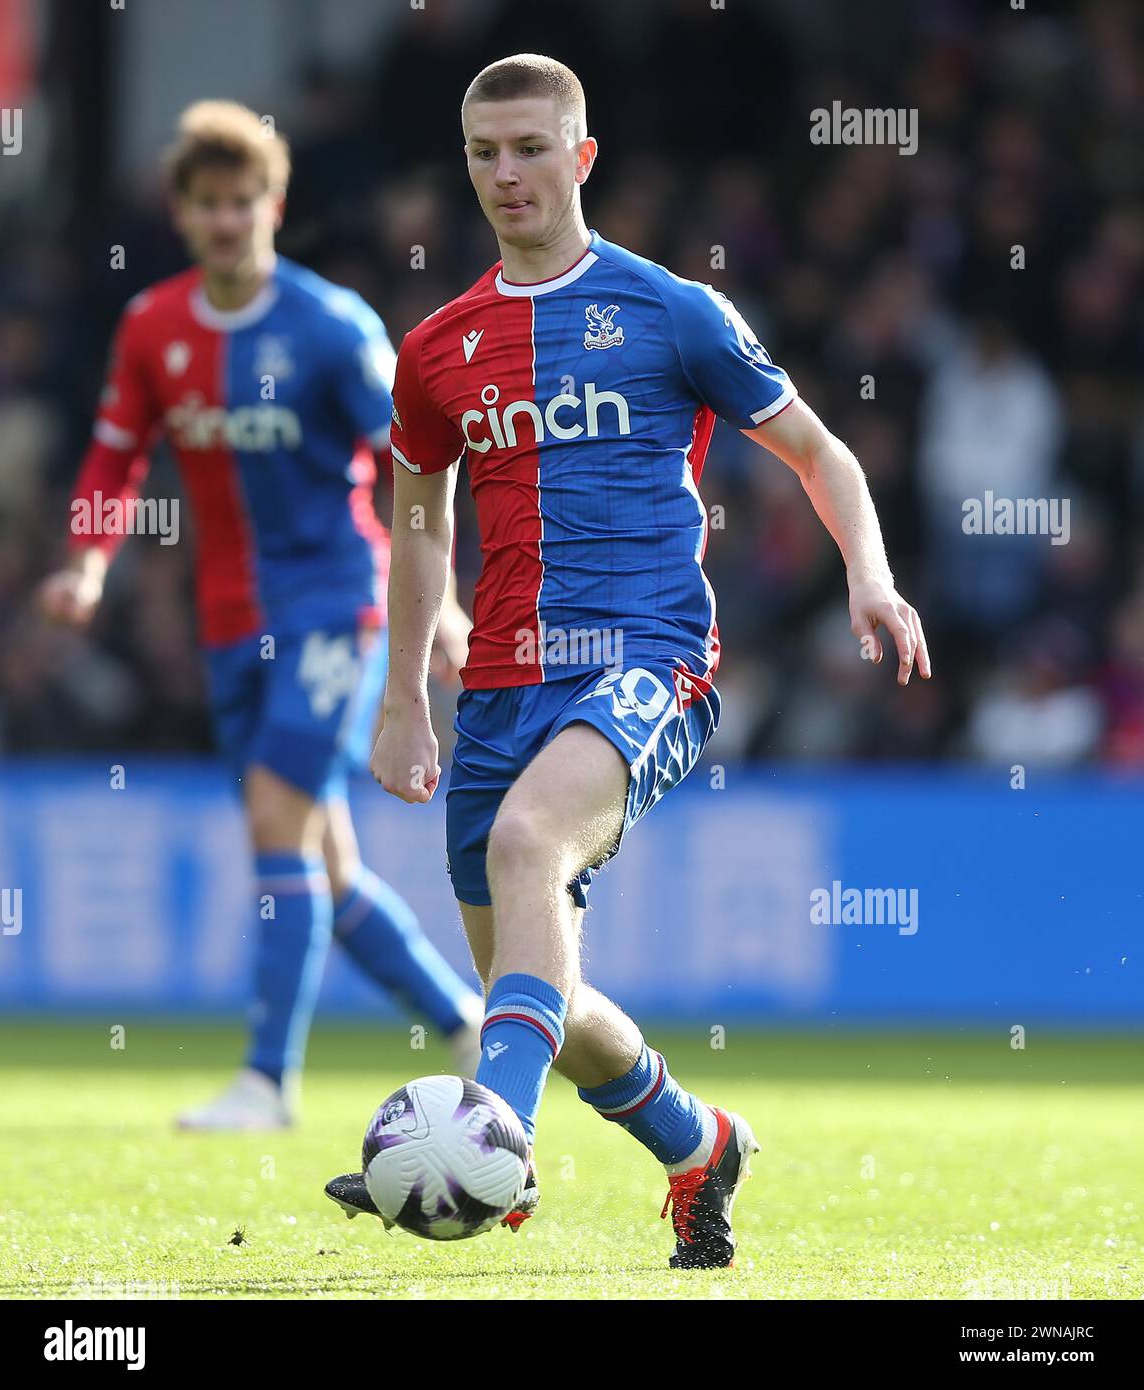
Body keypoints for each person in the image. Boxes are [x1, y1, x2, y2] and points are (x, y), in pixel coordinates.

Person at [324, 56, 931, 1268]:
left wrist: (870, 573)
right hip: (499, 683)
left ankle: (494, 1133)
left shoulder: (673, 311)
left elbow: (823, 455)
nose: (508, 174)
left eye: (531, 148)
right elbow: (425, 521)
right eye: (485, 153)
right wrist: (403, 696)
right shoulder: (438, 350)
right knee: (531, 992)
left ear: (581, 157)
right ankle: (698, 1141)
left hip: (649, 656)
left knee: (526, 846)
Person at [37, 101, 483, 1131]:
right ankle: (460, 1020)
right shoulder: (154, 326)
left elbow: (412, 465)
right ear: (184, 215)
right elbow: (115, 454)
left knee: (276, 820)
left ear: (273, 206)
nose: (229, 221)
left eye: (245, 202)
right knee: (321, 860)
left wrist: (444, 604)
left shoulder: (331, 328)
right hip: (229, 622)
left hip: (335, 604)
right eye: (209, 205)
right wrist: (90, 564)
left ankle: (266, 1081)